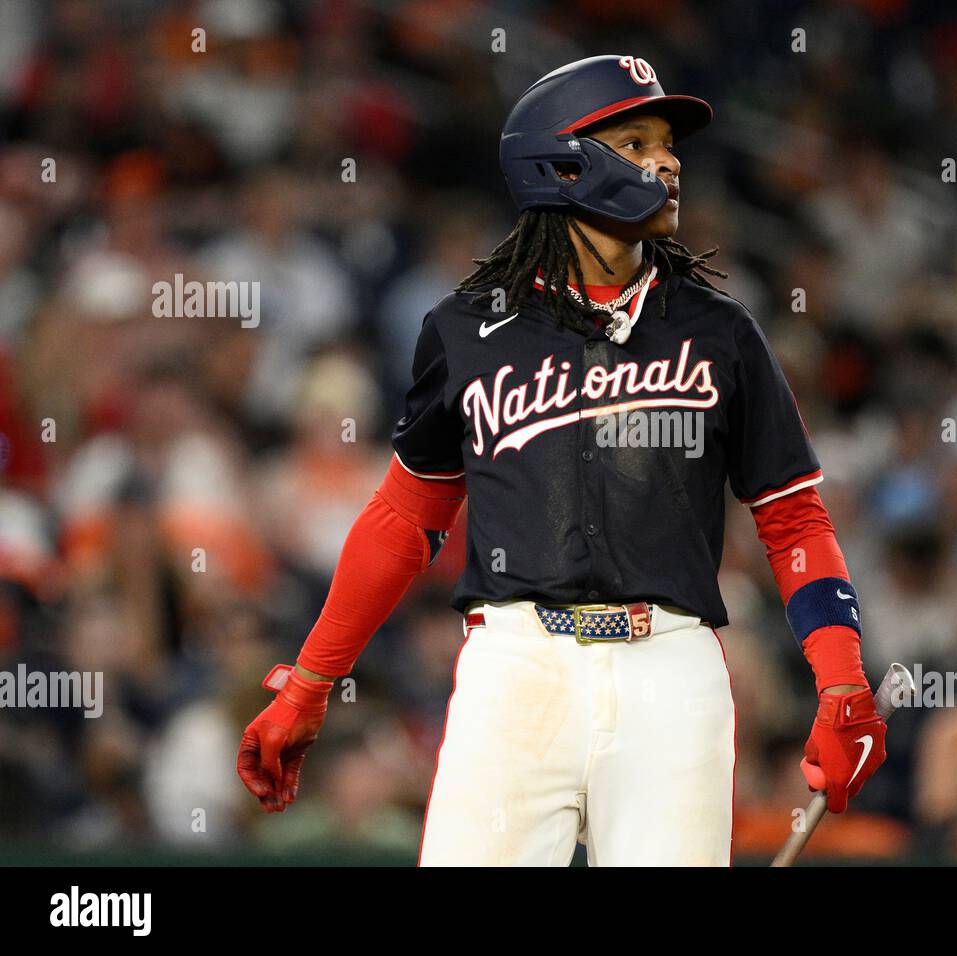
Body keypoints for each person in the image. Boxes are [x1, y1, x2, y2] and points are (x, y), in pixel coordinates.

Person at [235, 54, 885, 866]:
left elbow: (792, 516)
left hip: (671, 670)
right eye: (638, 140)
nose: (669, 160)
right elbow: (406, 519)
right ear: (560, 161)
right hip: (516, 665)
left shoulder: (720, 330)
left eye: (668, 144)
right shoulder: (467, 327)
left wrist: (841, 680)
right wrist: (310, 680)